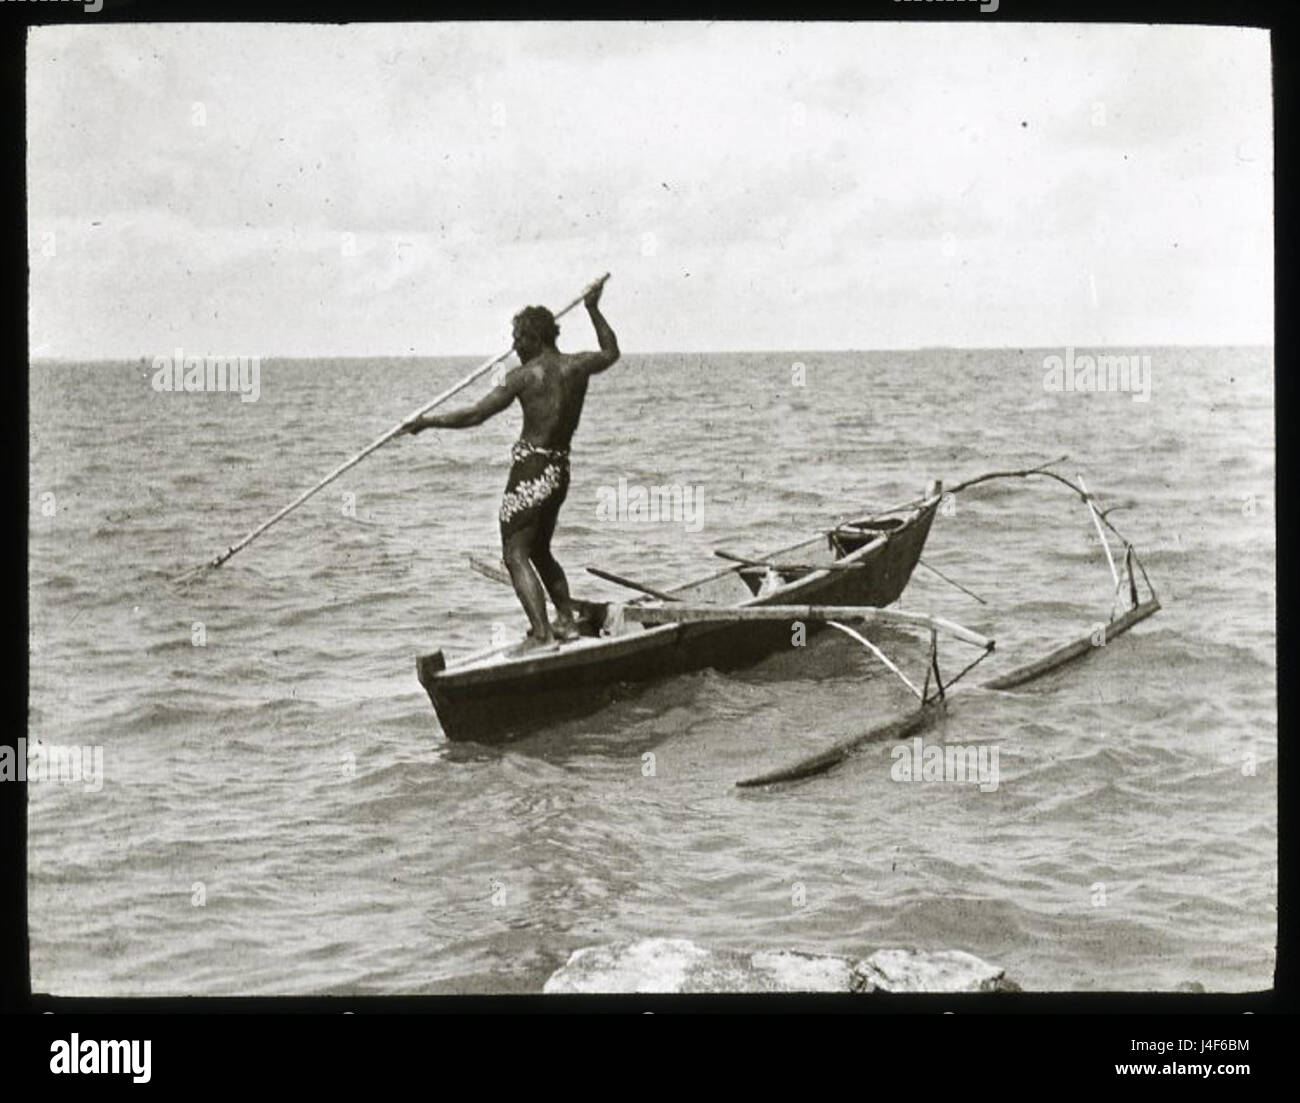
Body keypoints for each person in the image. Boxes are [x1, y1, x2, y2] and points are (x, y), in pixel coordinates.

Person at [404, 280, 619, 652]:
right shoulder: (577, 366)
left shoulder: (524, 376)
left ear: (533, 338)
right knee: (539, 549)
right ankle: (565, 619)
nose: (515, 347)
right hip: (559, 472)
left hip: (531, 473)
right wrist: (593, 308)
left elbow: (475, 415)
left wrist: (427, 423)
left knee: (514, 554)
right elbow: (611, 350)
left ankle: (542, 634)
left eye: (518, 339)